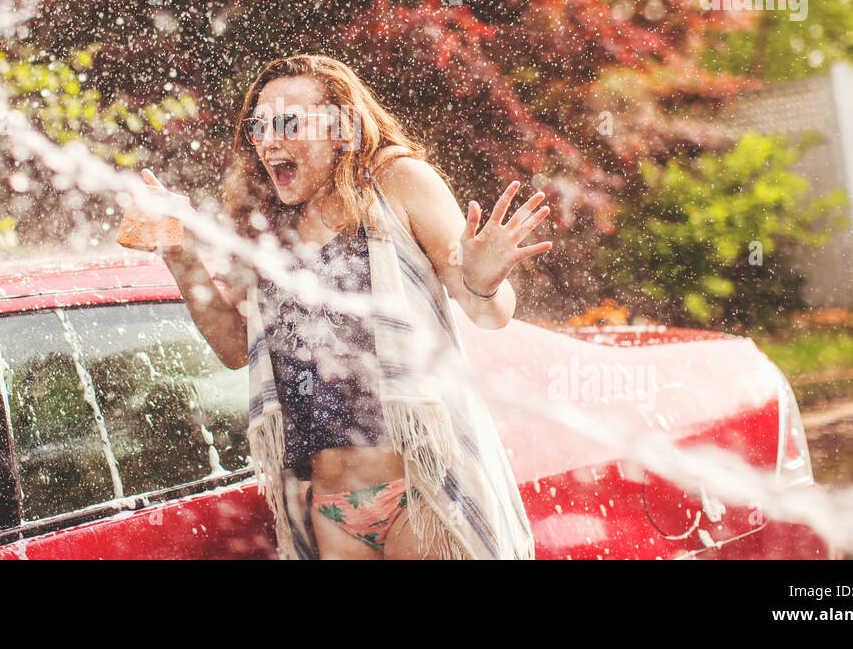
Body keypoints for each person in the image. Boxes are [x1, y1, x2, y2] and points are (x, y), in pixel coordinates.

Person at [138, 54, 552, 559]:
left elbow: (489, 313)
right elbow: (233, 347)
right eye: (259, 127)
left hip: (420, 495)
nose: (269, 141)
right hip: (331, 509)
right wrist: (179, 254)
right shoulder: (266, 226)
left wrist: (484, 281)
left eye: (289, 123)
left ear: (341, 128)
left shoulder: (398, 182)